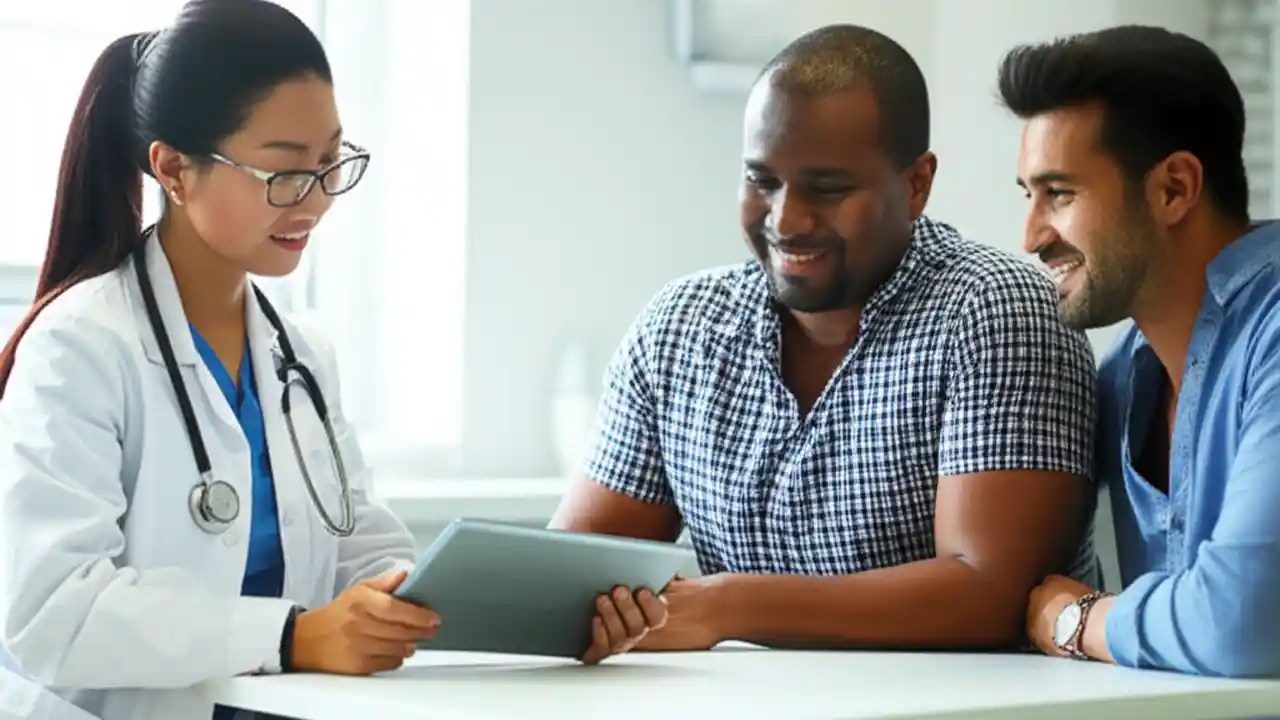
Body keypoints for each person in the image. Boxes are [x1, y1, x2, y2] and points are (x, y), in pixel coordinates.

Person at [0, 2, 659, 718]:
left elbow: (359, 552)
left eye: (329, 164)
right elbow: (51, 613)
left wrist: (518, 611)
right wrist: (293, 635)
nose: (315, 202)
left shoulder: (301, 356)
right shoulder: (79, 348)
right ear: (174, 170)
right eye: (285, 173)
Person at [550, 24, 1097, 652]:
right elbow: (572, 576)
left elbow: (996, 594)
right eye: (762, 181)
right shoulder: (680, 328)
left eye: (828, 189)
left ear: (916, 183)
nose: (786, 219)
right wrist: (425, 606)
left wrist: (729, 605)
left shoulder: (995, 309)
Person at [1002, 25, 1280, 678]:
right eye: (1029, 195)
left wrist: (1074, 620)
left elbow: (1239, 622)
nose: (1032, 235)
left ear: (1174, 189)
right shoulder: (1123, 376)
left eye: (1060, 195)